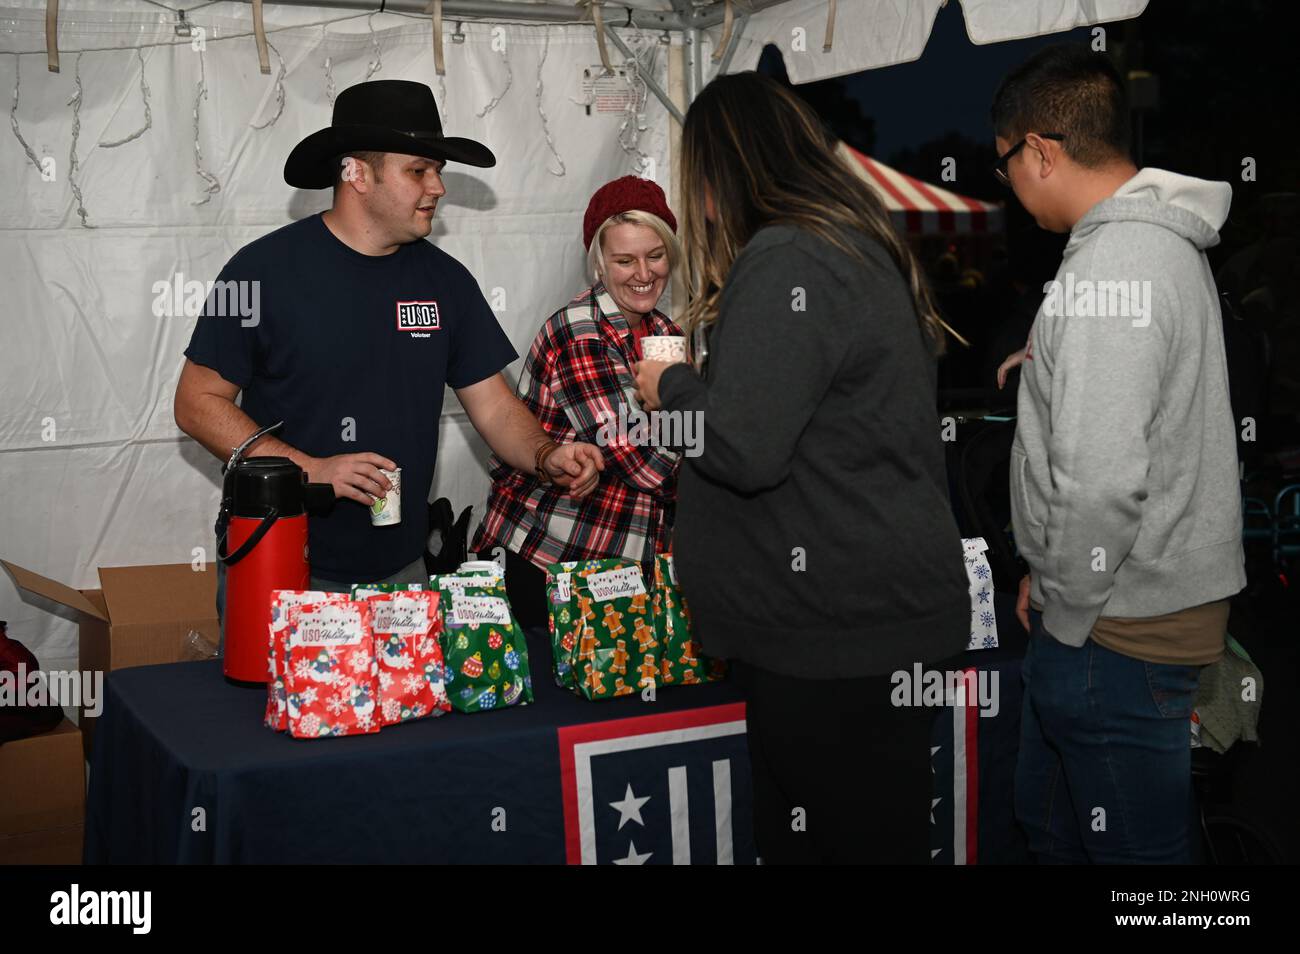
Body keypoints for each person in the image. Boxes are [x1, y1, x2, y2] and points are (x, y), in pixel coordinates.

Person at [633, 72, 970, 864]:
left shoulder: (790, 255)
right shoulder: (843, 243)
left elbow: (745, 447)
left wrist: (669, 386)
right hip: (851, 626)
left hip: (839, 639)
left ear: (722, 173)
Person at [173, 80, 603, 635]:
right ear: (356, 173)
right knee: (270, 722)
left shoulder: (445, 283)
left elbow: (494, 408)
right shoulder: (261, 273)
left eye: (437, 171)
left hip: (402, 573)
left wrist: (547, 454)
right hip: (281, 560)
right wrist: (311, 470)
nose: (439, 187)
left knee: (406, 720)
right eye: (419, 170)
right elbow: (197, 403)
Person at [990, 44, 1246, 863]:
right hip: (1125, 608)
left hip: (1117, 629)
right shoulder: (1159, 246)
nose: (1008, 186)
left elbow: (1102, 484)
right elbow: (1149, 398)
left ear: (1039, 150)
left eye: (1005, 164)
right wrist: (1053, 368)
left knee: (1142, 864)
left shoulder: (1115, 262)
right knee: (1057, 824)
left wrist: (1064, 609)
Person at [472, 177, 683, 627]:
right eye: (625, 260)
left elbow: (680, 441)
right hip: (549, 561)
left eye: (655, 255)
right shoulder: (580, 332)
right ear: (599, 265)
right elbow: (645, 462)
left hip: (621, 567)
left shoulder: (665, 333)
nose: (644, 274)